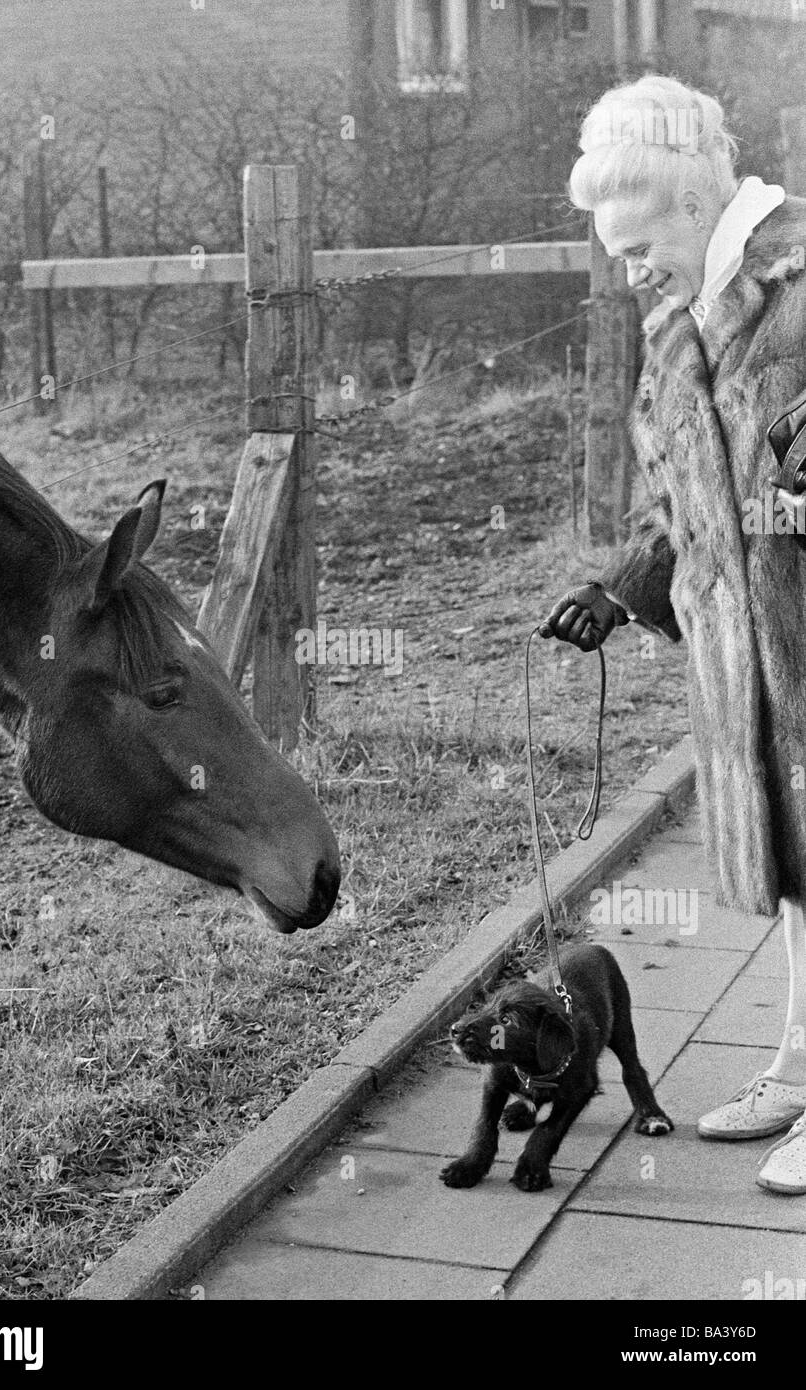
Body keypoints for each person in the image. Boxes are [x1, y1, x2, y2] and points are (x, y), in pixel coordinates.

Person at [542, 74, 806, 1194]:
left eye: (636, 241)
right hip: (748, 654)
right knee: (796, 871)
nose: (624, 267)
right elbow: (686, 503)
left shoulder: (797, 286)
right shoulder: (677, 314)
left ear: (697, 206)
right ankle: (798, 1065)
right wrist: (624, 585)